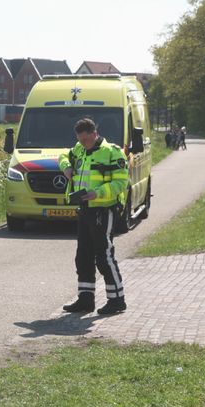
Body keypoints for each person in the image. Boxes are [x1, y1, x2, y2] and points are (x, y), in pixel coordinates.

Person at [59, 117, 128, 315]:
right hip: (84, 210)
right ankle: (85, 300)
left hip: (103, 210)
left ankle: (117, 300)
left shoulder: (112, 152)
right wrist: (66, 168)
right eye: (80, 140)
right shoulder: (79, 150)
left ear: (94, 134)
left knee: (104, 256)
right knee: (83, 256)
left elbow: (121, 183)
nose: (84, 144)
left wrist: (97, 193)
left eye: (87, 140)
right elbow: (63, 155)